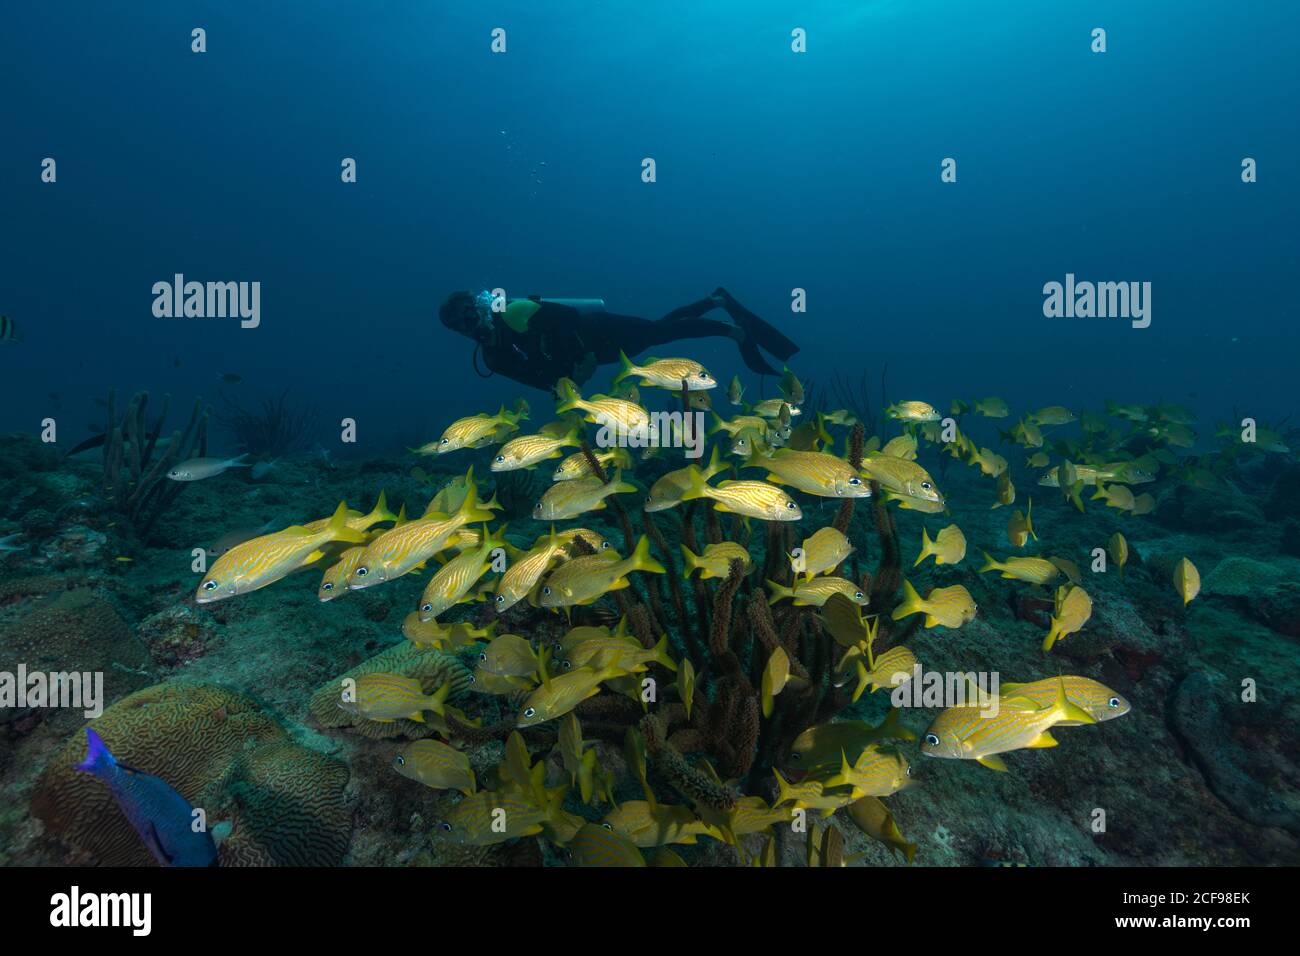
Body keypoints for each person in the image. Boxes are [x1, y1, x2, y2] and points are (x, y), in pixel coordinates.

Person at [437, 287, 799, 391]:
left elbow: (567, 318)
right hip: (598, 356)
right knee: (656, 333)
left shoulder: (513, 311)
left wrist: (576, 360)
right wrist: (570, 379)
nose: (470, 326)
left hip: (599, 331)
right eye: (460, 326)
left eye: (469, 315)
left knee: (657, 334)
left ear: (476, 306)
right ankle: (714, 301)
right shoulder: (493, 357)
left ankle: (731, 330)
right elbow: (536, 380)